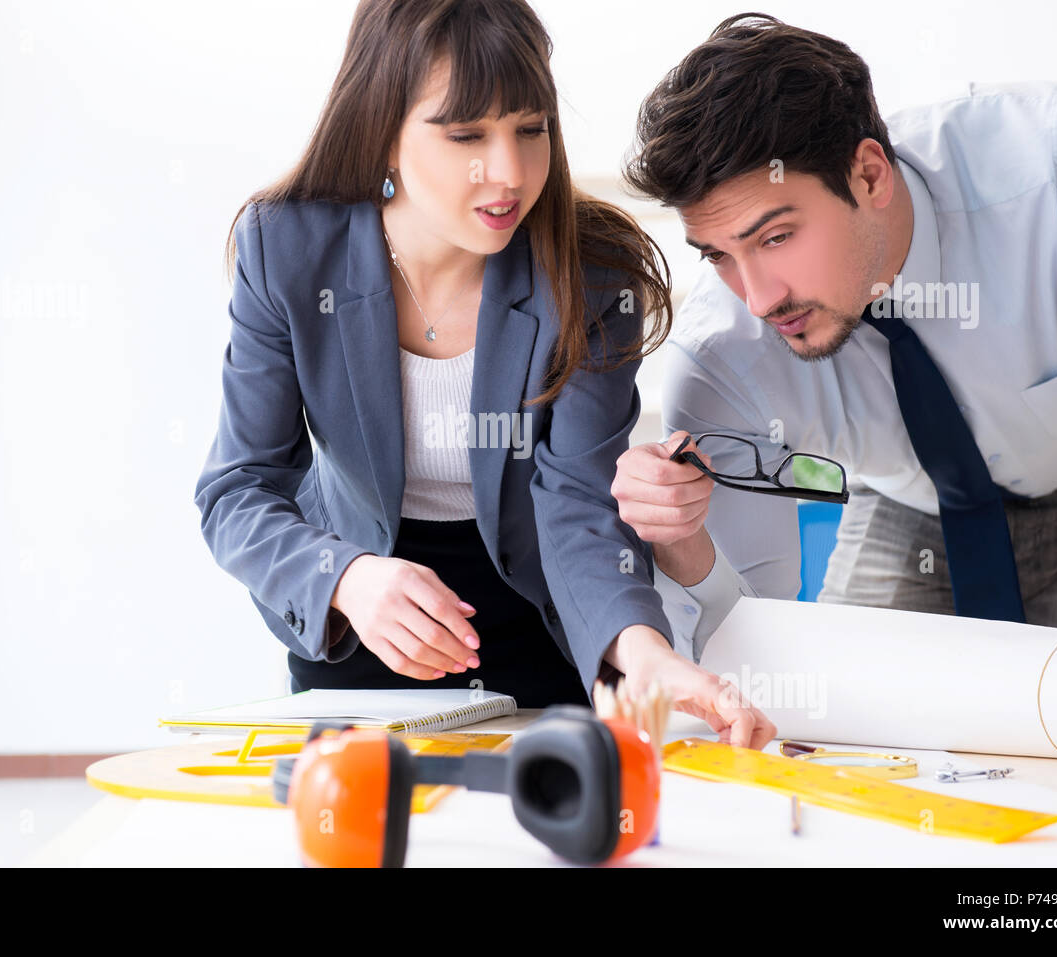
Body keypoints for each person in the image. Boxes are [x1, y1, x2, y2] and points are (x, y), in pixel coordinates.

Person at [193, 0, 774, 744]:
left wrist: (643, 653)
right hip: (361, 629)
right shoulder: (287, 249)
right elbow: (238, 488)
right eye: (467, 134)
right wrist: (346, 578)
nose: (508, 173)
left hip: (545, 631)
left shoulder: (591, 272)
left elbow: (576, 503)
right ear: (383, 132)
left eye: (531, 129)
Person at [612, 13, 1057, 659]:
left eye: (776, 238)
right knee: (841, 730)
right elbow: (747, 646)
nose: (760, 297)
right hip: (907, 506)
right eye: (717, 255)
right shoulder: (721, 356)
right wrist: (680, 543)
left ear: (870, 175)